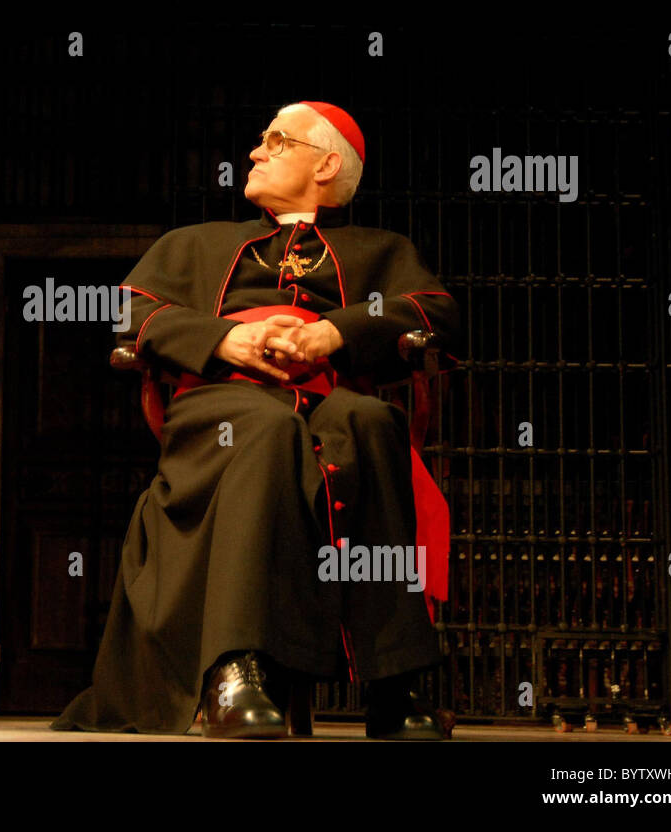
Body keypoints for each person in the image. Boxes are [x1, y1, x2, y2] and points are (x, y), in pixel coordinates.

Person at [52, 101, 460, 738]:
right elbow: (121, 311)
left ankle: (395, 685)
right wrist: (221, 342)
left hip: (327, 397)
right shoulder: (195, 244)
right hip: (222, 401)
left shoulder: (381, 250)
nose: (255, 151)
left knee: (374, 423)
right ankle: (235, 673)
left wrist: (334, 332)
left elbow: (438, 315)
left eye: (276, 140)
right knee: (265, 429)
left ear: (326, 165)